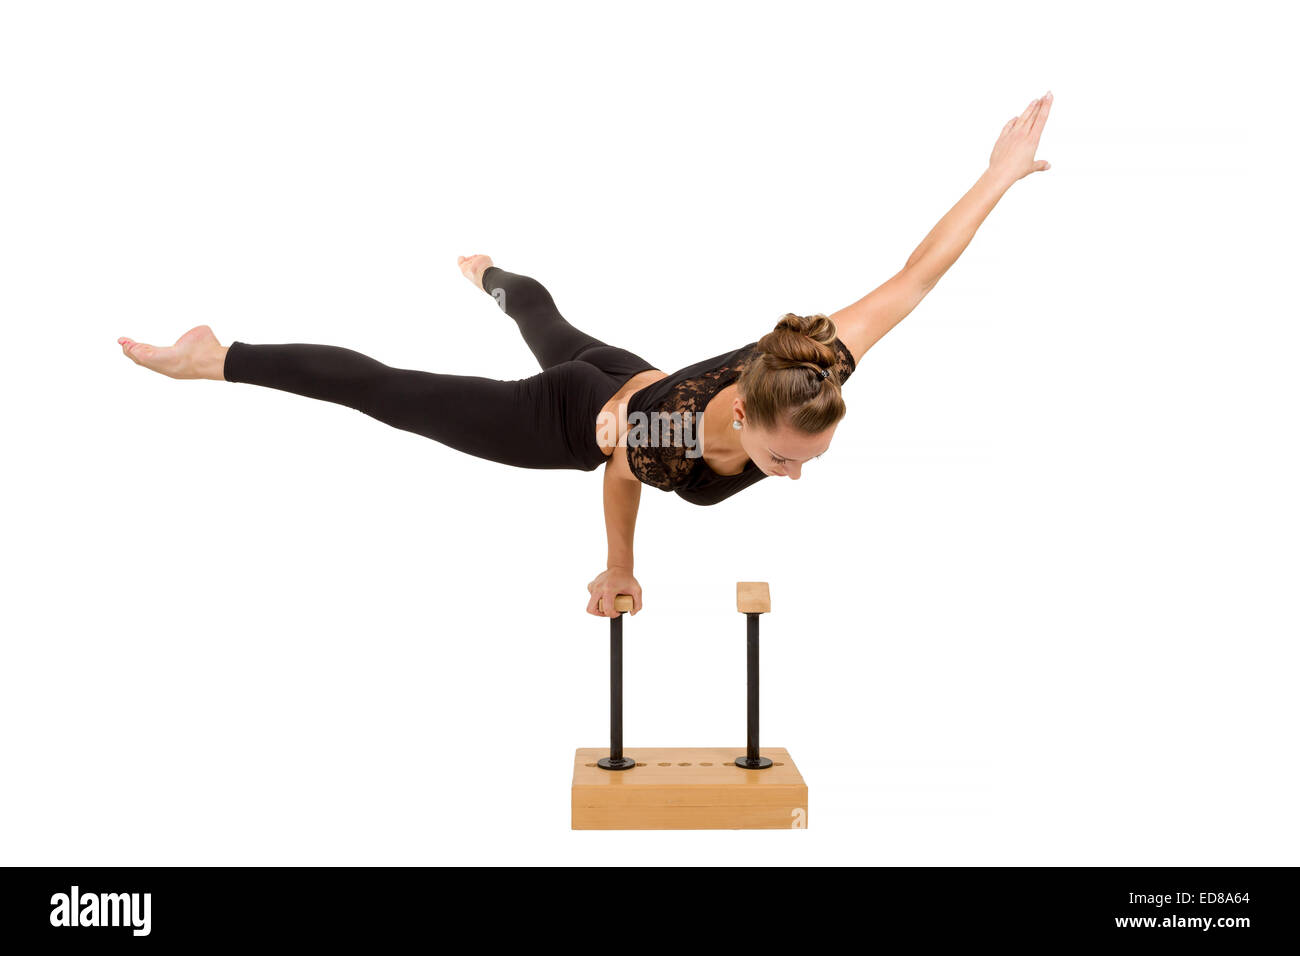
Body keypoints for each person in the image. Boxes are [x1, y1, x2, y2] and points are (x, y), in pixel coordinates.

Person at [118, 92, 1054, 618]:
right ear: (739, 416)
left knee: (546, 319)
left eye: (805, 462)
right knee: (393, 392)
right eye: (782, 463)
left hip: (626, 373)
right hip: (580, 415)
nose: (794, 478)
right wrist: (619, 568)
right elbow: (619, 471)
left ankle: (492, 275)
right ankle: (218, 356)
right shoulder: (670, 435)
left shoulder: (810, 370)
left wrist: (997, 176)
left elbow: (916, 278)